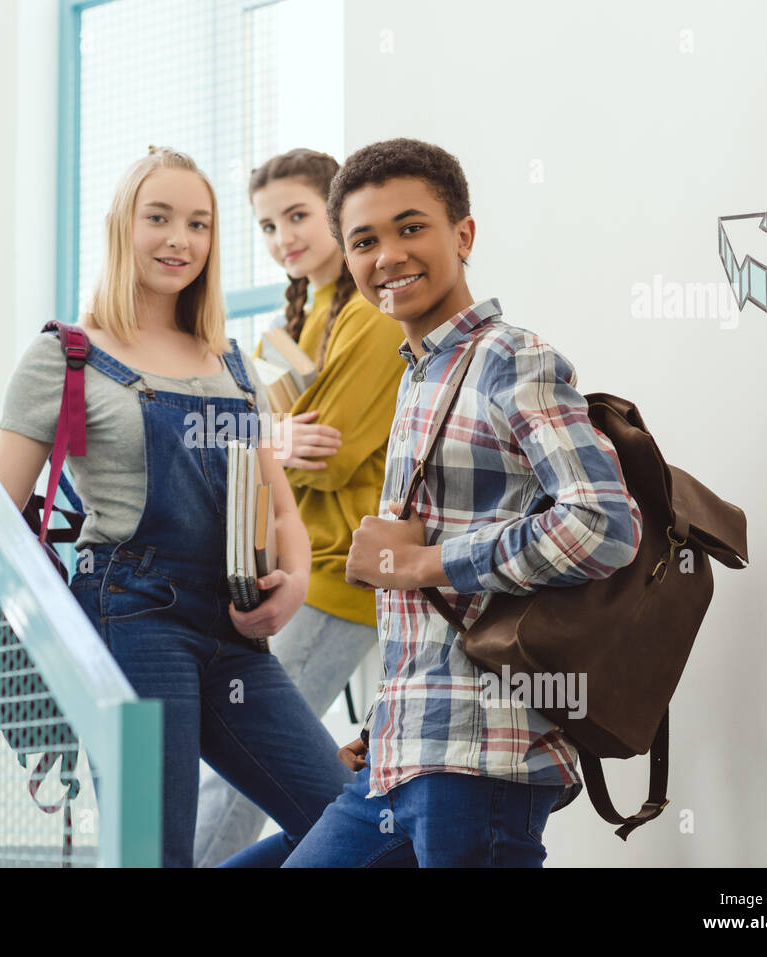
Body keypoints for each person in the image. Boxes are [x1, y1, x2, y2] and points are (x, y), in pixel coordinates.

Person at [223, 137, 643, 867]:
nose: (388, 254)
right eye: (364, 239)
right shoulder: (418, 374)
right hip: (401, 753)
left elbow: (604, 523)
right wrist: (387, 721)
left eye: (410, 228)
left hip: (480, 759)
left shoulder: (509, 358)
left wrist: (422, 562)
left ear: (463, 234)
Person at [0, 146, 352, 868]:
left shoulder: (232, 360)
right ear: (124, 225)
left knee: (357, 824)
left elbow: (279, 507)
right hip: (132, 615)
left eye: (199, 223)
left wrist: (297, 581)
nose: (179, 240)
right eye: (159, 218)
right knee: (153, 851)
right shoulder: (67, 356)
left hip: (235, 625)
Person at [193, 149, 405, 867]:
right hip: (290, 569)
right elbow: (241, 445)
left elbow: (332, 450)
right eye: (266, 225)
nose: (283, 235)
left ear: (338, 213)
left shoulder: (372, 316)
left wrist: (266, 440)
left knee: (245, 776)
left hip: (337, 576)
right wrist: (271, 440)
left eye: (298, 215)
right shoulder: (293, 326)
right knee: (266, 772)